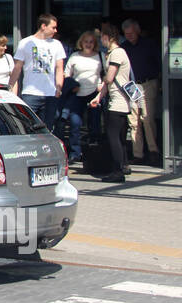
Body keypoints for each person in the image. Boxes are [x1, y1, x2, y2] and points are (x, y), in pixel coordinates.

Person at [90, 23, 133, 183]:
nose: (101, 41)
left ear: (108, 37)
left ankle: (117, 171)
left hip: (118, 102)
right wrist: (99, 97)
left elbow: (109, 78)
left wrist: (102, 83)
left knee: (113, 136)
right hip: (120, 101)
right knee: (119, 137)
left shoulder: (116, 53)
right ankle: (124, 165)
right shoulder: (118, 52)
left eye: (102, 37)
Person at [9, 13, 65, 131]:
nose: (55, 30)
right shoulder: (25, 42)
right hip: (30, 92)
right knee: (27, 126)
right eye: (53, 27)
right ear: (43, 26)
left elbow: (60, 68)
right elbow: (17, 67)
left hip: (50, 93)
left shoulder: (57, 44)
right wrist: (10, 86)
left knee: (47, 128)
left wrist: (59, 88)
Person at [121, 18, 161, 166]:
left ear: (137, 31)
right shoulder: (123, 47)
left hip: (147, 83)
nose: (129, 36)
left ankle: (153, 151)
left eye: (131, 33)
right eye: (126, 34)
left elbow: (158, 63)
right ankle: (138, 154)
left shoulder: (149, 44)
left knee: (147, 118)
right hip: (131, 85)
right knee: (134, 121)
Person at [61, 30, 104, 164]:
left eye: (91, 42)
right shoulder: (74, 56)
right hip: (77, 94)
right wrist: (71, 85)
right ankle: (75, 153)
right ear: (81, 42)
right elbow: (66, 74)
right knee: (75, 124)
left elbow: (107, 74)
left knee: (94, 124)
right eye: (86, 41)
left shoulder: (100, 56)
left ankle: (93, 151)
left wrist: (102, 86)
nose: (88, 44)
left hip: (94, 94)